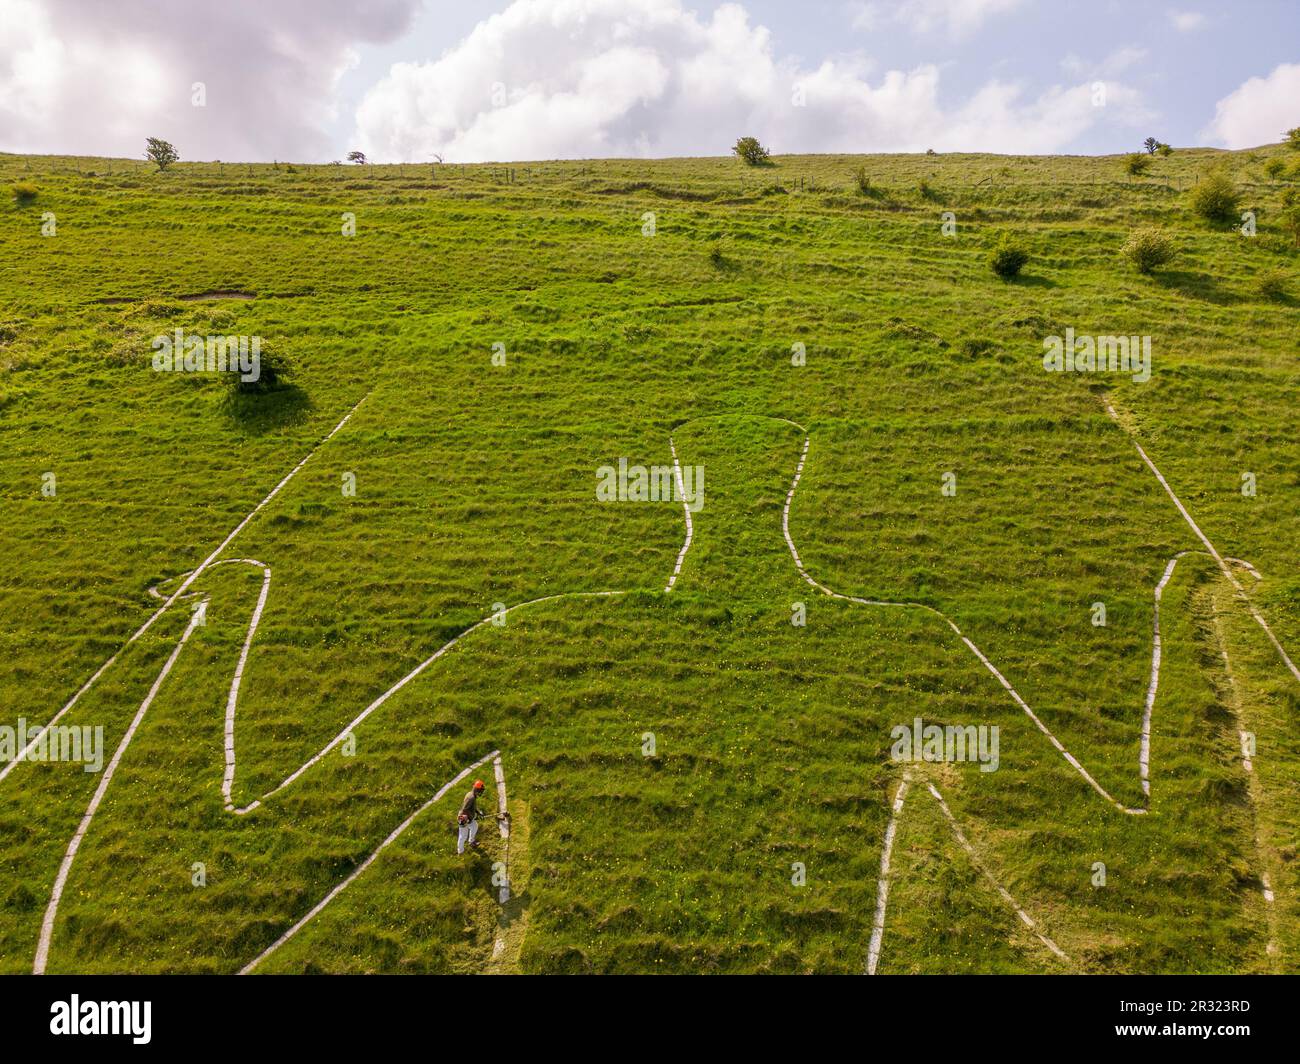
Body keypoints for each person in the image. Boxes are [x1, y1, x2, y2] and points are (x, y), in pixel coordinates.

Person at [457, 779, 488, 854]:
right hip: (463, 819)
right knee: (463, 837)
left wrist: (478, 813)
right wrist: (466, 820)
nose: (481, 792)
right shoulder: (471, 798)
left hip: (470, 818)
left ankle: (471, 841)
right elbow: (464, 809)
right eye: (480, 791)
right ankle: (460, 852)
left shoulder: (473, 795)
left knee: (474, 826)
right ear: (477, 789)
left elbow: (473, 807)